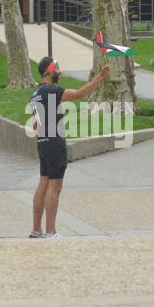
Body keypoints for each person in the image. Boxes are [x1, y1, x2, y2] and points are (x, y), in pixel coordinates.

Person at [28, 55, 110, 238]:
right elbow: (80, 94)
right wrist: (101, 76)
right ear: (49, 71)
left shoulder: (36, 93)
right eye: (57, 68)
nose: (60, 71)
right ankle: (51, 231)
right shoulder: (52, 90)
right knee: (54, 186)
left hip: (42, 143)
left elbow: (36, 122)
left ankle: (36, 229)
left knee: (43, 182)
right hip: (55, 142)